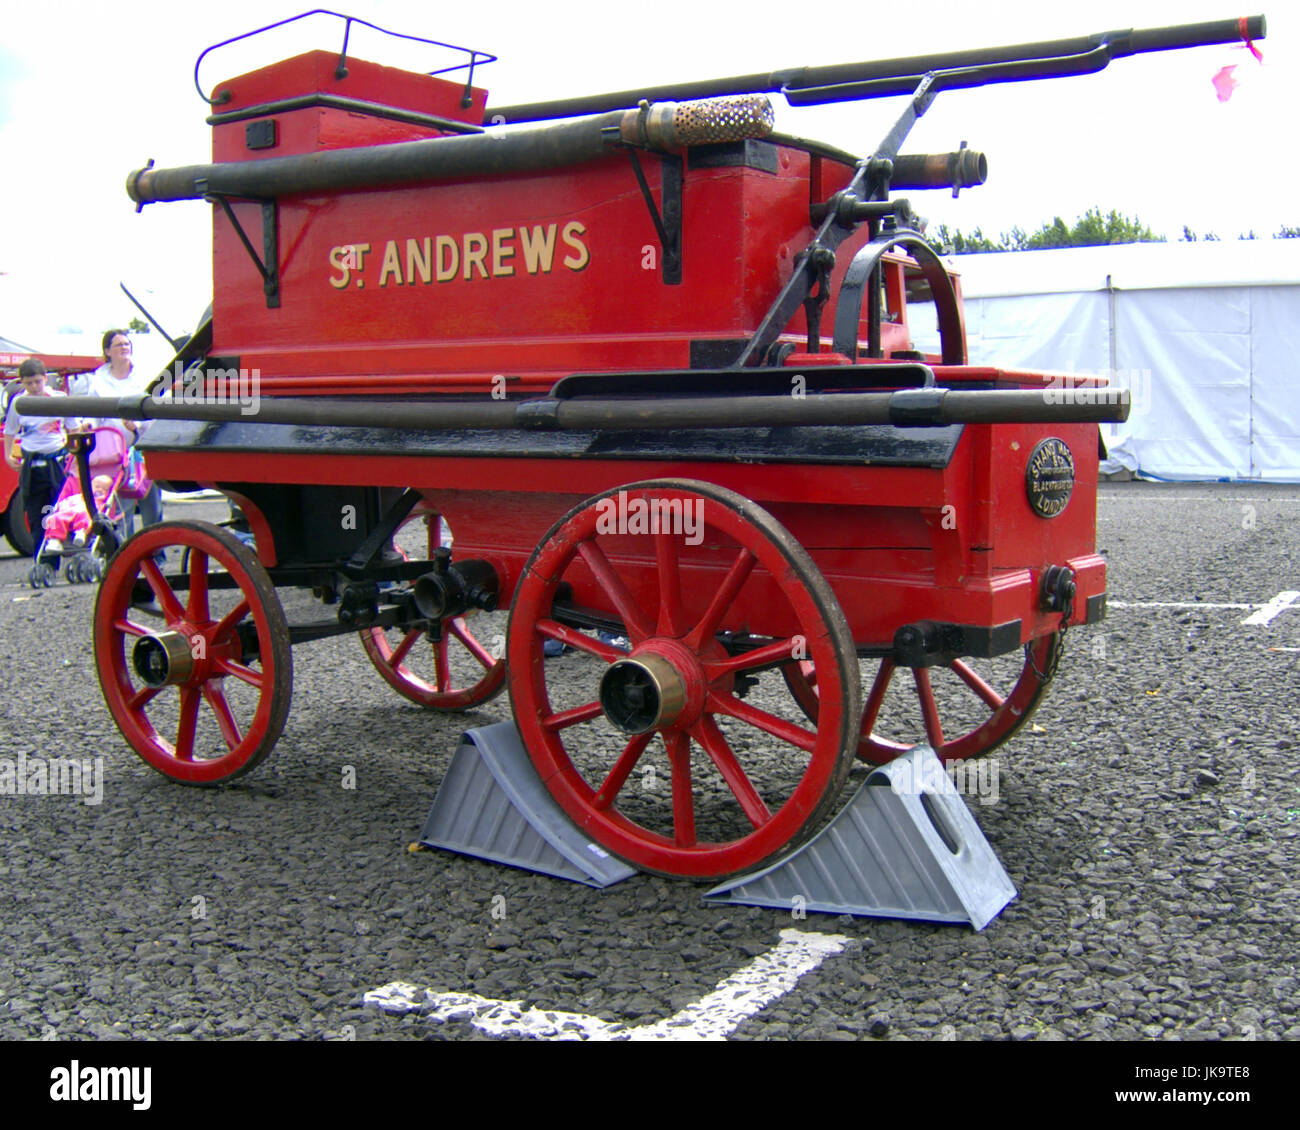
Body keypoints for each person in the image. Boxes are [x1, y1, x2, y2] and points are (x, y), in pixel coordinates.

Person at [78, 329, 165, 547]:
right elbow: (93, 413)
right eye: (119, 345)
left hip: (144, 450)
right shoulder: (97, 381)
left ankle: (156, 553)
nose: (125, 348)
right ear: (107, 351)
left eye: (127, 344)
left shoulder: (145, 376)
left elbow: (158, 408)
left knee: (151, 506)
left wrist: (138, 425)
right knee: (122, 508)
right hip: (114, 455)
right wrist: (88, 424)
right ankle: (126, 553)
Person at [3, 359, 81, 567]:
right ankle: (43, 561)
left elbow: (74, 429)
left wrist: (76, 458)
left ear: (46, 379)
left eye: (38, 382)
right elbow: (9, 431)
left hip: (56, 461)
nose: (34, 387)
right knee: (36, 513)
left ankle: (68, 554)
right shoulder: (19, 403)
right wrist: (8, 455)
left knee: (60, 509)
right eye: (29, 383)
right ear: (22, 383)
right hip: (31, 464)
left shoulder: (59, 399)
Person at [42, 475, 112, 552]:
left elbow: (99, 512)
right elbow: (65, 502)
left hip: (84, 515)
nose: (100, 490)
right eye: (97, 486)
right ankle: (54, 541)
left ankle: (81, 532)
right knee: (56, 518)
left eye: (105, 489)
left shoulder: (100, 503)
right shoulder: (77, 497)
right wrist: (63, 508)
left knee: (88, 517)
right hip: (69, 513)